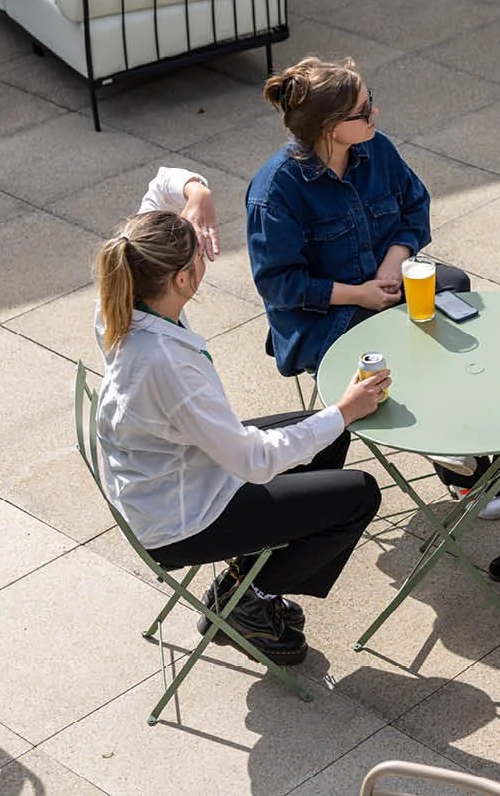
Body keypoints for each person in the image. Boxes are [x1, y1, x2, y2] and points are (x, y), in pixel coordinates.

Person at [93, 210, 388, 667]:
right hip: (185, 519)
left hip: (170, 478)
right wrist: (346, 410)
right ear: (181, 278)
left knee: (326, 436)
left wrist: (194, 191)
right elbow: (254, 461)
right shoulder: (168, 367)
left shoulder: (127, 298)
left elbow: (158, 199)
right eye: (199, 254)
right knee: (359, 495)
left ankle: (248, 574)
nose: (206, 258)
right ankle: (250, 598)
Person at [246, 56, 471, 379]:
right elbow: (280, 285)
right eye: (363, 110)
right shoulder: (275, 192)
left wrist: (392, 264)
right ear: (330, 128)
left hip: (386, 284)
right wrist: (360, 294)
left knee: (456, 288)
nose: (374, 113)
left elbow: (415, 205)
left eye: (370, 100)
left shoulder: (377, 148)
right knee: (395, 340)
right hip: (324, 318)